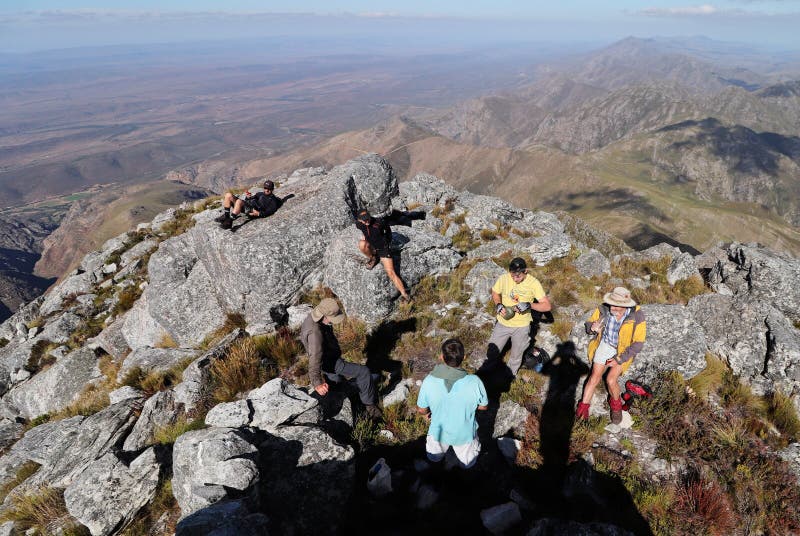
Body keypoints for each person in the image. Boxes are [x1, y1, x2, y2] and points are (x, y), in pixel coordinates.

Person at [299, 298, 381, 418]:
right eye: (331, 319)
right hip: (330, 362)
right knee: (363, 372)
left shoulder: (313, 317)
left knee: (337, 384)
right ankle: (370, 408)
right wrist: (317, 382)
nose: (332, 322)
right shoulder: (315, 332)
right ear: (323, 315)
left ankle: (347, 400)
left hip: (327, 360)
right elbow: (315, 357)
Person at [576, 287, 647, 425]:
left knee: (610, 380)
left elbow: (638, 344)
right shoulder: (603, 308)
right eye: (611, 303)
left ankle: (616, 405)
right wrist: (592, 328)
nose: (612, 307)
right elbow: (590, 323)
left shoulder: (637, 316)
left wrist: (619, 359)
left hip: (623, 350)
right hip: (605, 344)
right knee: (593, 378)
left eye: (616, 304)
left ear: (625, 305)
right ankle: (582, 410)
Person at [417, 338, 488, 469]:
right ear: (464, 357)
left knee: (433, 458)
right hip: (465, 434)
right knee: (468, 464)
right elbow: (483, 406)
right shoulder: (475, 381)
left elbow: (422, 409)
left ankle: (435, 472)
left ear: (441, 357)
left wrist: (426, 415)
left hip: (438, 433)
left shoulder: (429, 380)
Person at [483, 257, 552, 376]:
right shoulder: (504, 279)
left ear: (525, 272)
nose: (515, 279)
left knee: (516, 356)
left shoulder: (533, 283)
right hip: (503, 323)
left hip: (521, 326)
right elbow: (495, 293)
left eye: (518, 276)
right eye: (512, 275)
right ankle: (486, 375)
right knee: (492, 353)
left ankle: (508, 378)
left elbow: (546, 306)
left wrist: (529, 305)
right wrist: (498, 304)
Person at [355, 208, 411, 302]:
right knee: (362, 244)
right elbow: (363, 228)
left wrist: (387, 242)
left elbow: (388, 230)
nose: (367, 221)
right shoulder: (359, 224)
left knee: (390, 272)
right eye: (364, 220)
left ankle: (405, 294)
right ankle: (373, 258)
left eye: (368, 218)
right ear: (360, 220)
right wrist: (366, 237)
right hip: (372, 247)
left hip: (383, 249)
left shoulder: (379, 222)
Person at [217, 180, 284, 230]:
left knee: (239, 202)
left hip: (253, 210)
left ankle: (229, 222)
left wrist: (259, 214)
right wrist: (248, 197)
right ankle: (226, 217)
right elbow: (250, 199)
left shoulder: (273, 200)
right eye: (265, 188)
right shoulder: (260, 193)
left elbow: (271, 211)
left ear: (272, 189)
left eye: (269, 189)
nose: (266, 190)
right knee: (228, 195)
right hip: (247, 206)